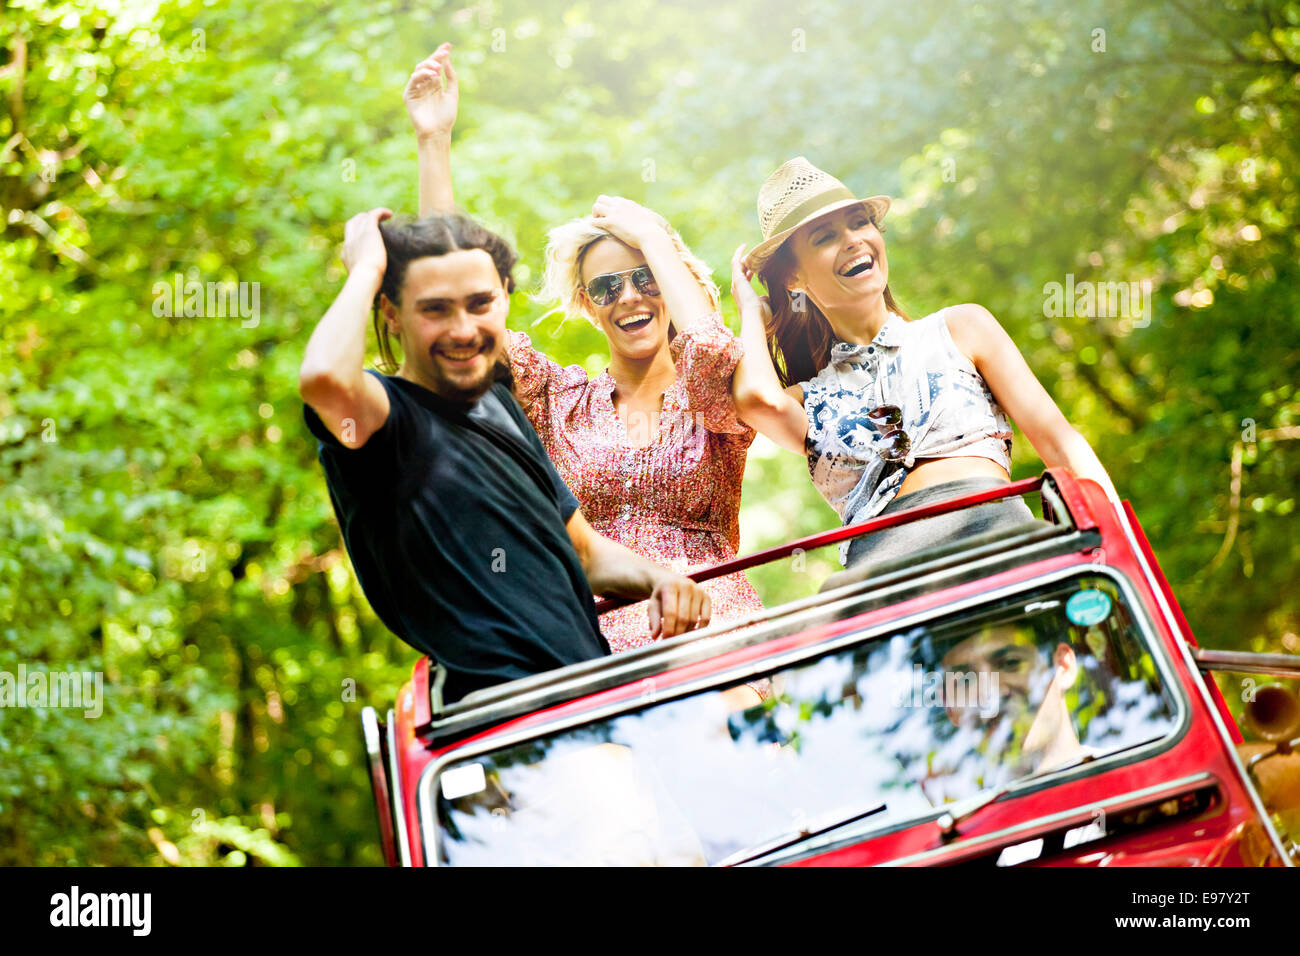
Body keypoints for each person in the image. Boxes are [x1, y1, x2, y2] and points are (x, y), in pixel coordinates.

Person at [404, 45, 765, 654]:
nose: (630, 296)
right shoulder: (560, 399)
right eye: (607, 286)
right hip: (589, 650)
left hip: (713, 634)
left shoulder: (714, 395)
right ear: (588, 303)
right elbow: (457, 310)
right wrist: (433, 143)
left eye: (647, 276)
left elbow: (709, 346)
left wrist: (653, 236)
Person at [298, 207, 713, 704]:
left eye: (480, 304)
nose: (463, 329)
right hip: (503, 716)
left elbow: (585, 553)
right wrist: (367, 269)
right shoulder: (389, 421)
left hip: (594, 693)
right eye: (435, 310)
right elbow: (324, 379)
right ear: (392, 313)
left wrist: (660, 578)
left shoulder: (497, 406)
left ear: (503, 300)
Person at [729, 156, 1120, 569]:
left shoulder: (960, 328)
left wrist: (1117, 539)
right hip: (886, 579)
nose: (852, 240)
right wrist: (751, 310)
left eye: (860, 222)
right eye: (825, 237)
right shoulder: (806, 398)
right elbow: (756, 399)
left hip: (1000, 540)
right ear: (793, 278)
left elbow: (1061, 442)